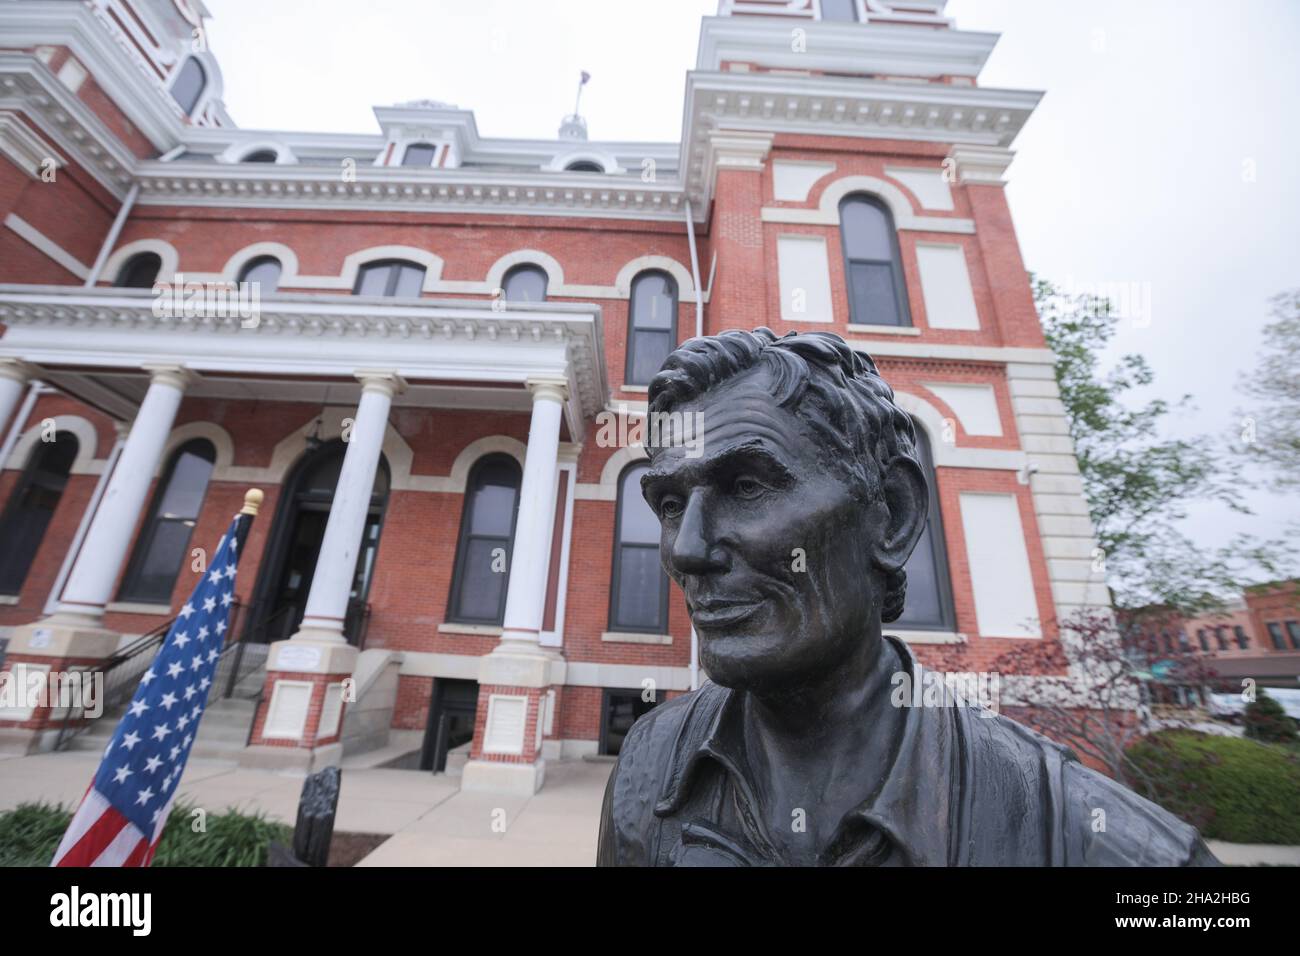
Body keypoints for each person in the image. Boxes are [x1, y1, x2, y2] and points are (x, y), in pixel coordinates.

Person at [596, 328, 1216, 866]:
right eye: (672, 505)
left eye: (748, 485)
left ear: (891, 516)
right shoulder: (645, 769)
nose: (687, 550)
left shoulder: (1099, 843)